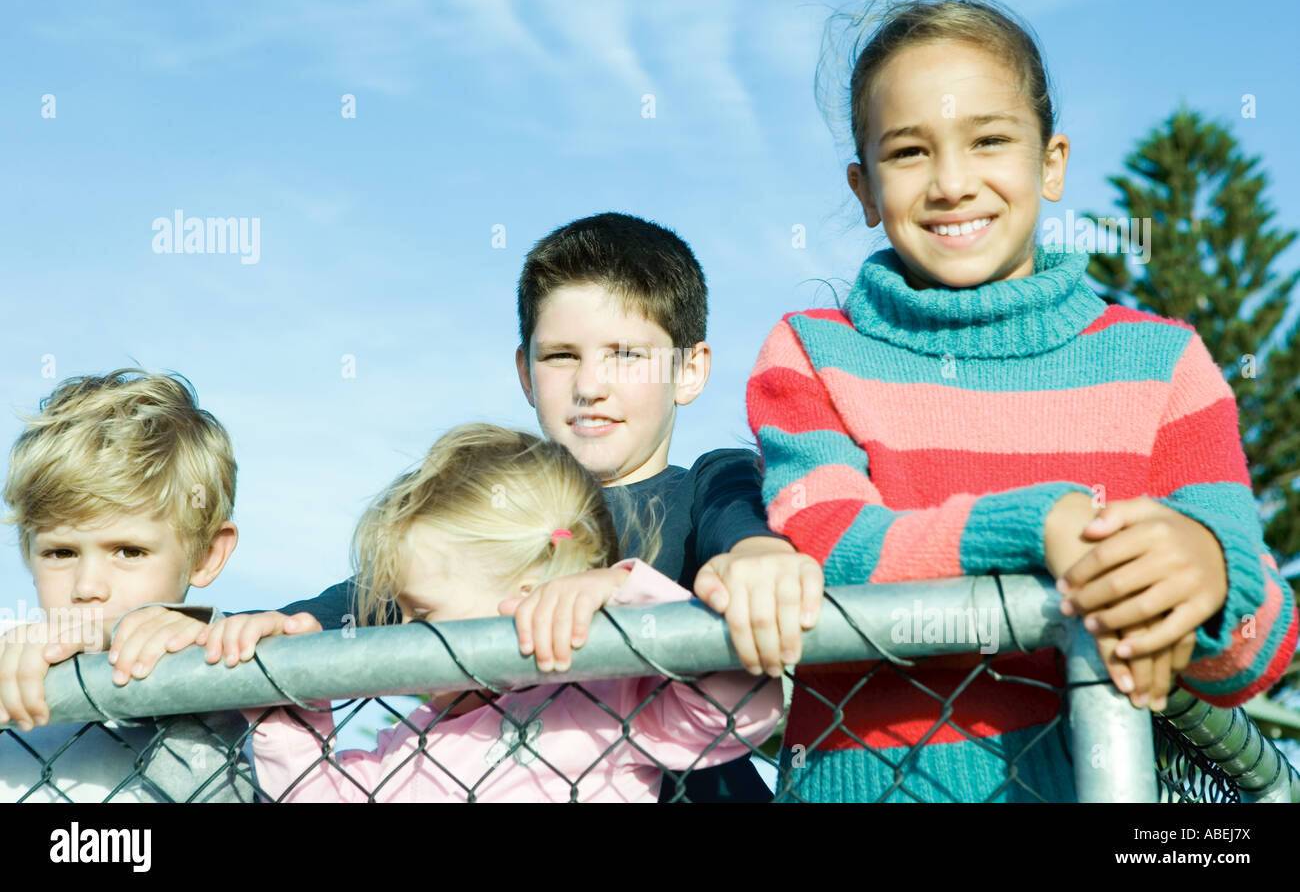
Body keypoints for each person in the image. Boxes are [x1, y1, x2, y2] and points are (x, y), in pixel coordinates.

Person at [744, 0, 1298, 802]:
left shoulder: (1163, 364)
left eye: (989, 140)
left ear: (1052, 164)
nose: (951, 182)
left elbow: (1258, 655)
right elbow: (831, 553)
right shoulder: (812, 354)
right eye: (908, 150)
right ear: (864, 191)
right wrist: (1045, 523)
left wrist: (1211, 576)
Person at [112, 213, 823, 801]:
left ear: (691, 369)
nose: (591, 385)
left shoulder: (709, 483)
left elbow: (742, 544)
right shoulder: (485, 502)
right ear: (524, 370)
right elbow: (376, 597)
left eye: (627, 355)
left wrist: (749, 555)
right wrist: (264, 629)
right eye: (561, 356)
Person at [240, 424, 782, 802]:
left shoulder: (601, 706)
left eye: (422, 612)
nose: (400, 634)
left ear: (528, 594)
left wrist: (624, 595)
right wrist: (285, 704)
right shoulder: (411, 739)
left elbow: (741, 704)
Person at [0, 370, 253, 802]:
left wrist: (194, 684)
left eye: (129, 551)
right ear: (28, 551)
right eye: (60, 553)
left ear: (207, 555)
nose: (88, 586)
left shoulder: (240, 687)